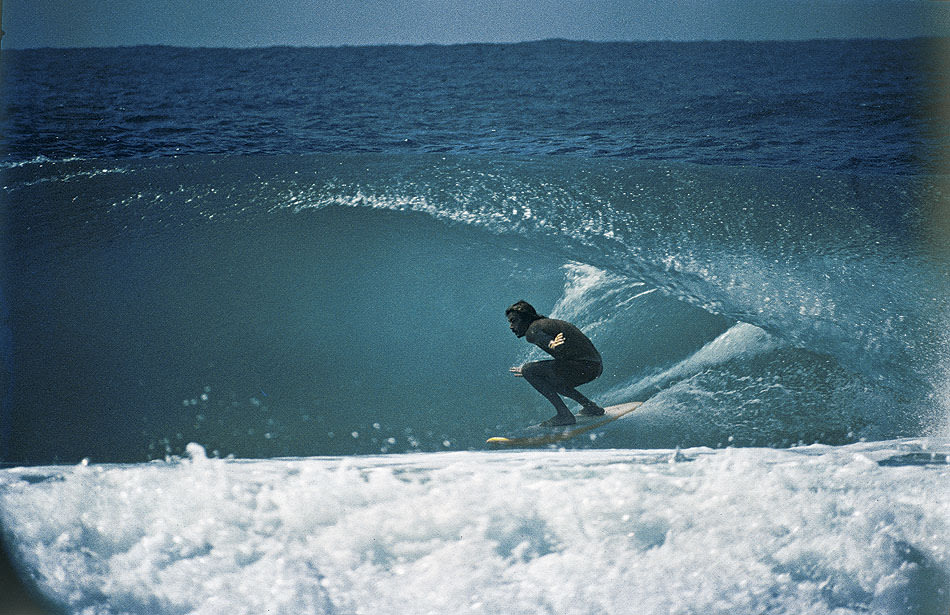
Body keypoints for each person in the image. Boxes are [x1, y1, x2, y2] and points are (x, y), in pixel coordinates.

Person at [506, 300, 605, 426]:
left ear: (526, 318)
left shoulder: (532, 330)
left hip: (584, 367)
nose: (511, 326)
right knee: (550, 378)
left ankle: (564, 415)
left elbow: (546, 340)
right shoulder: (545, 324)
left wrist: (552, 345)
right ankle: (591, 407)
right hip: (595, 367)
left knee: (529, 370)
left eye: (514, 321)